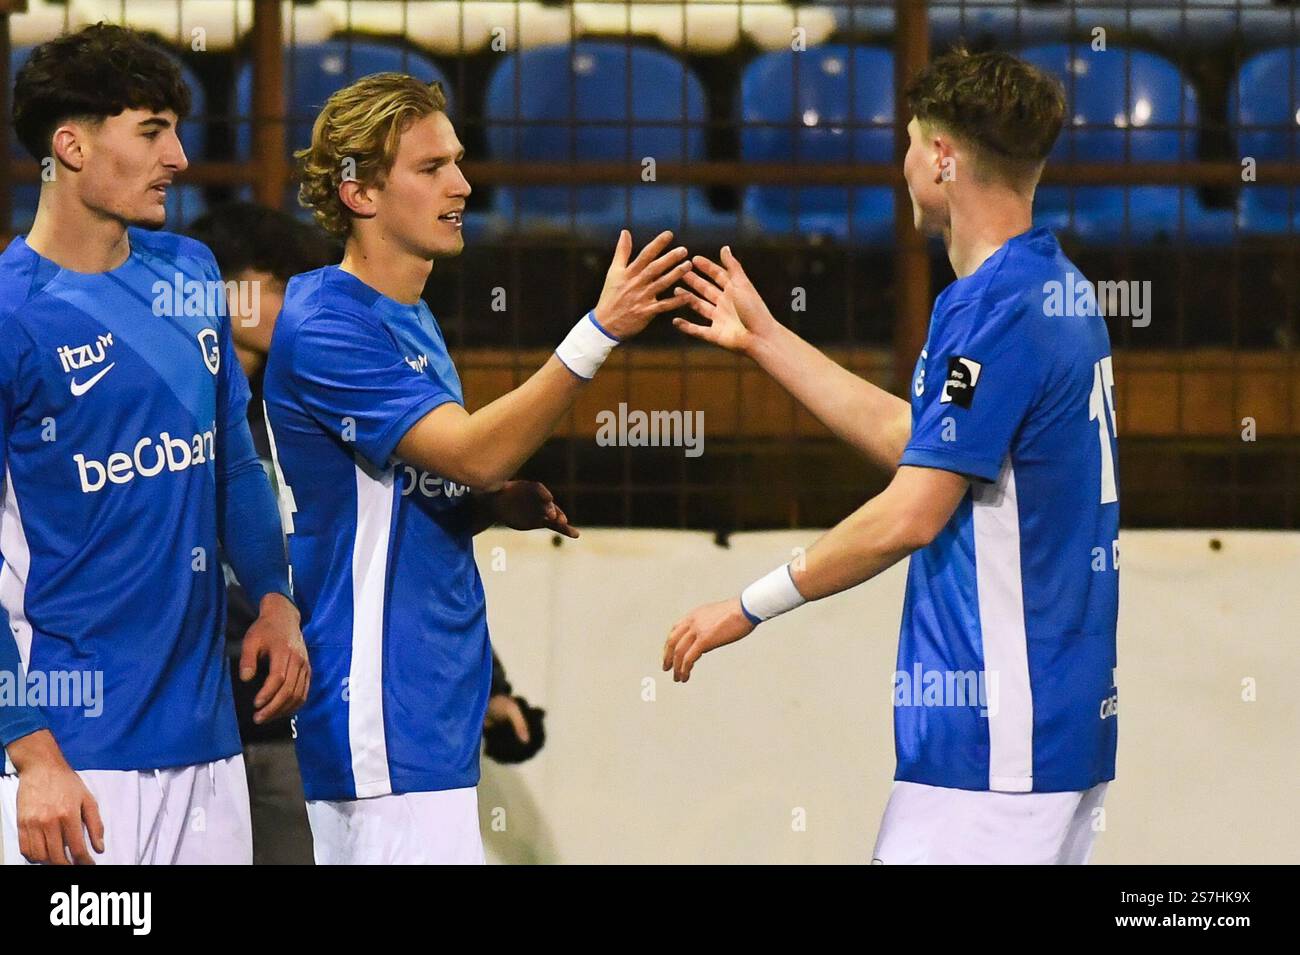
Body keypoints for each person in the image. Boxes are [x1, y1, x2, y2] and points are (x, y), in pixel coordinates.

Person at [664, 48, 1119, 865]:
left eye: (910, 141)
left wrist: (745, 605)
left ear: (941, 158)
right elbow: (927, 446)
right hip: (1045, 736)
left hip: (990, 752)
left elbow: (912, 512)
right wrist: (768, 340)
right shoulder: (1053, 286)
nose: (903, 162)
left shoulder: (994, 307)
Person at [264, 71, 692, 863]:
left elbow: (422, 479)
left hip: (431, 704)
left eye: (457, 161)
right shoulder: (327, 324)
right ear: (359, 194)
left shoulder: (410, 315)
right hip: (380, 711)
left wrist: (486, 503)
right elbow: (472, 446)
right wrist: (599, 331)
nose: (462, 183)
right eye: (430, 168)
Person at [0, 25, 306, 865]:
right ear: (70, 144)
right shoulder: (9, 315)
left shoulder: (192, 272)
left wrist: (276, 594)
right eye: (150, 130)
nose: (177, 155)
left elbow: (233, 465)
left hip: (210, 750)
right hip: (75, 760)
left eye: (176, 128)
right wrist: (30, 752)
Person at [185, 201, 338, 865]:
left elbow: (367, 552)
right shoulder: (163, 417)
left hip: (285, 727)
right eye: (275, 283)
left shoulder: (310, 421)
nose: (291, 304)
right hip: (181, 729)